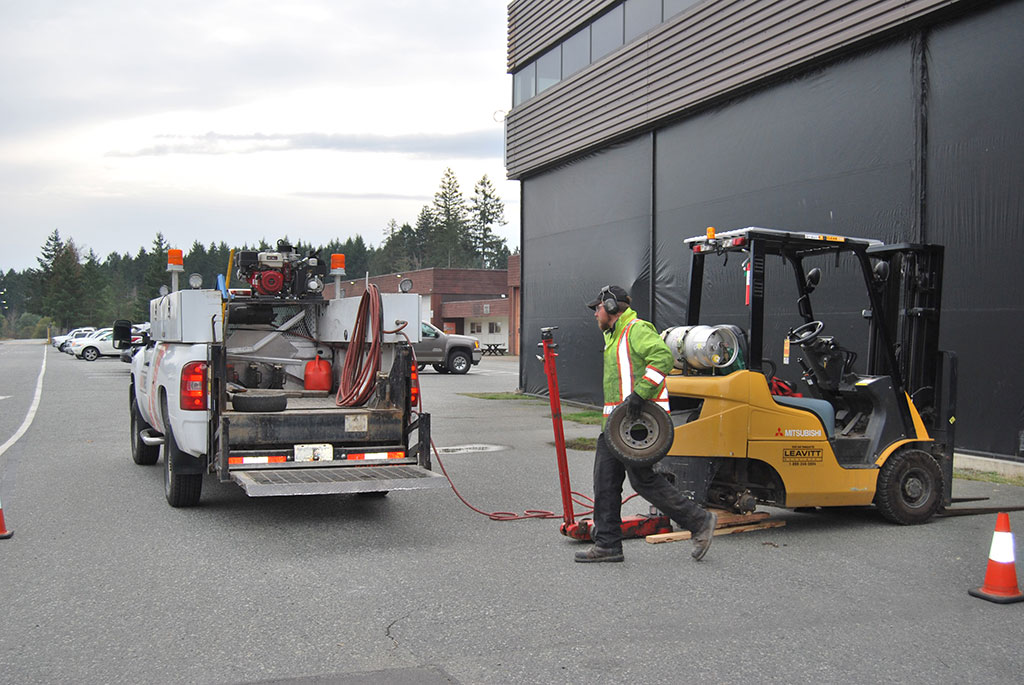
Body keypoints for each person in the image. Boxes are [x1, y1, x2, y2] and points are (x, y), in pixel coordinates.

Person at [575, 285, 717, 563]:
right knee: (605, 482)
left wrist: (641, 393)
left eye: (598, 308)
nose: (595, 313)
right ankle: (607, 545)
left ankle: (699, 521)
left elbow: (663, 358)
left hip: (637, 425)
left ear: (613, 307)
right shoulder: (614, 335)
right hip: (617, 426)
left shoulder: (636, 329)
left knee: (643, 480)